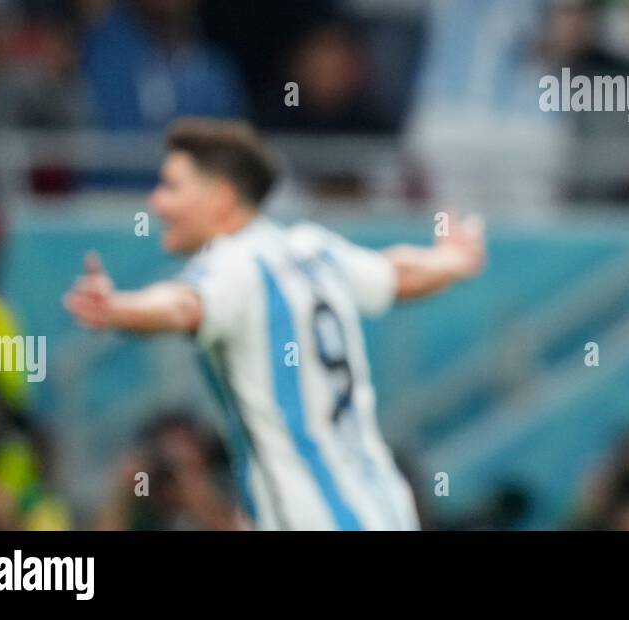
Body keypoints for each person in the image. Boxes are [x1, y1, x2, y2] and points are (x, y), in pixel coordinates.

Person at [62, 117, 486, 530]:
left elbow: (182, 306)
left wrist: (119, 308)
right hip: (385, 509)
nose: (156, 202)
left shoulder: (232, 263)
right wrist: (453, 260)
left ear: (222, 198)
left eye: (172, 187)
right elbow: (398, 275)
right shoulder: (311, 249)